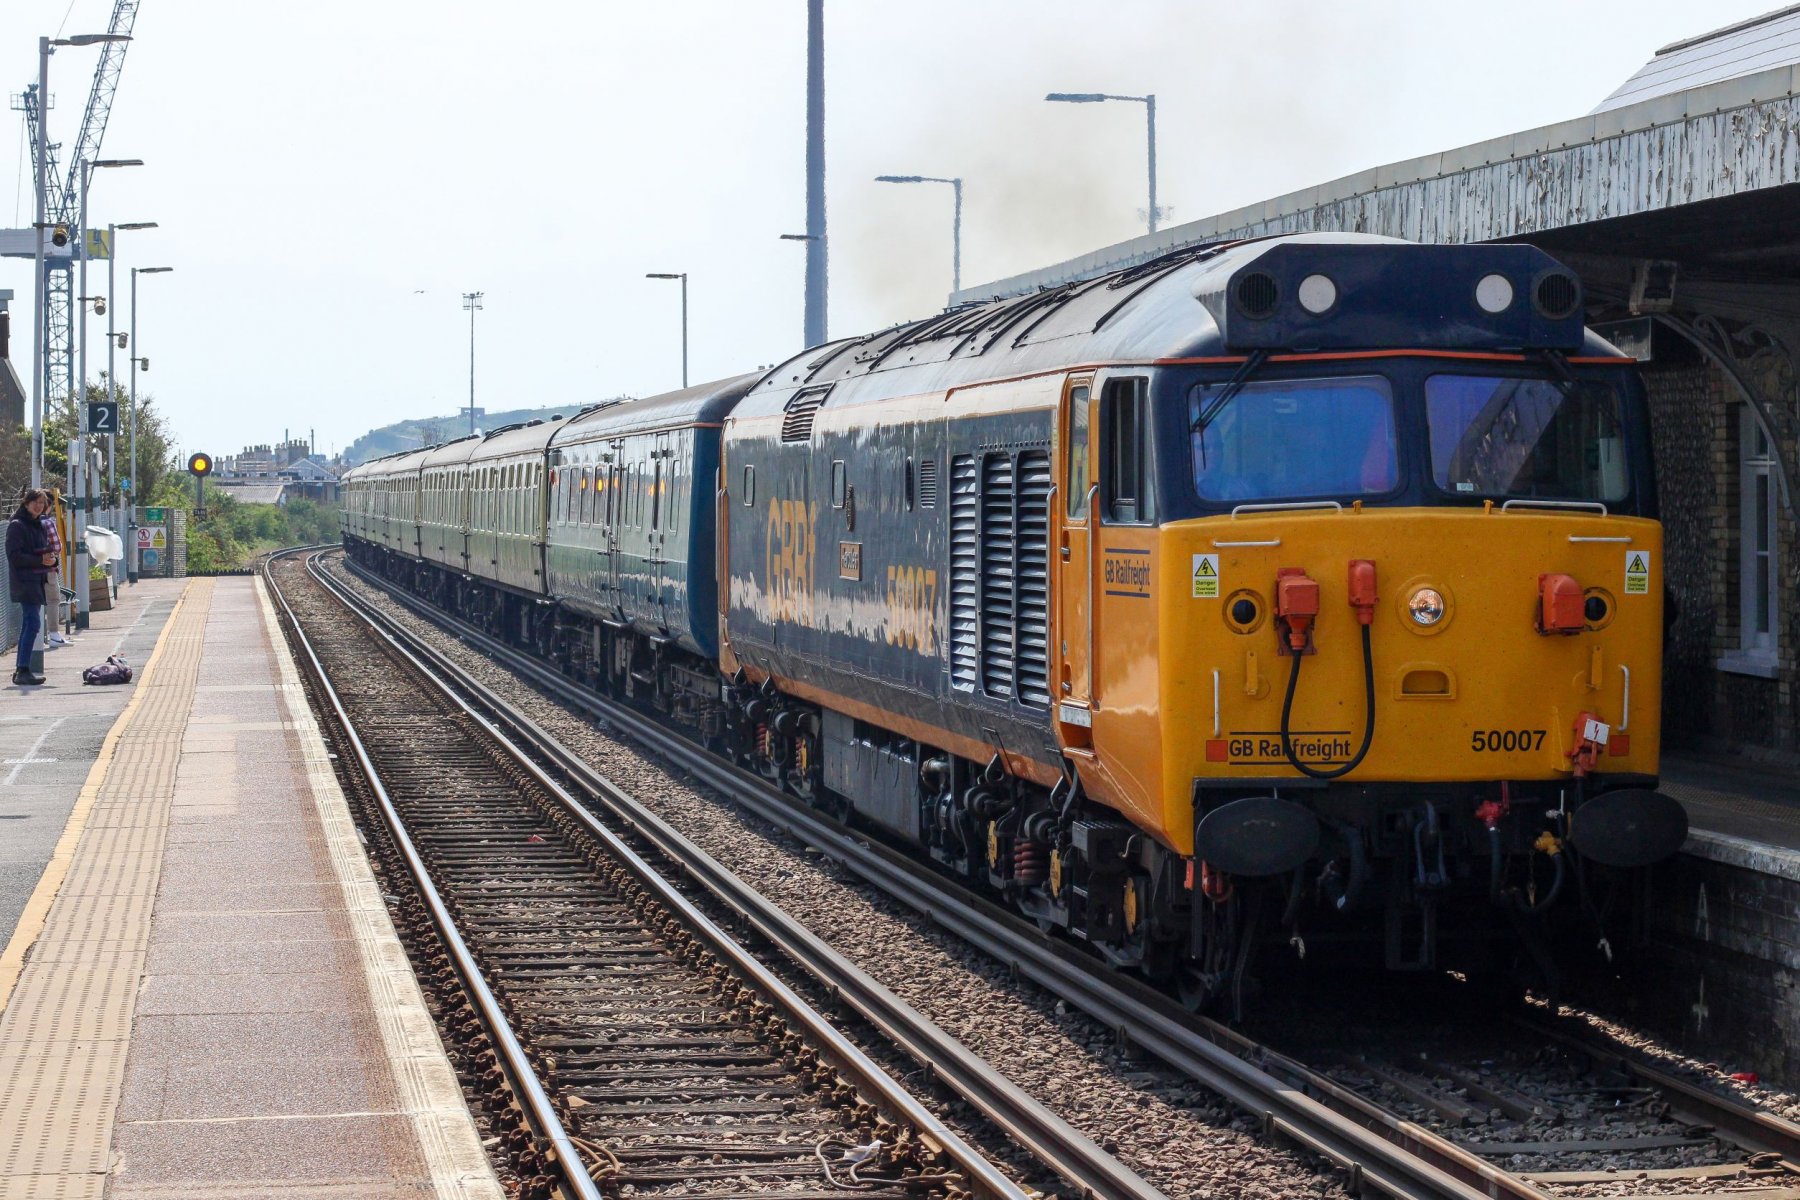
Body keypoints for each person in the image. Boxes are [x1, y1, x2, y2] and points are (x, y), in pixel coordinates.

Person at [8, 489, 56, 686]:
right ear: (26, 503)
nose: (38, 506)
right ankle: (23, 670)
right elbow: (15, 556)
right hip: (24, 582)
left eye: (42, 503)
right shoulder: (17, 526)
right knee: (34, 623)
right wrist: (40, 560)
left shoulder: (38, 525)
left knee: (30, 624)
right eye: (35, 502)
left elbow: (41, 551)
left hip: (36, 580)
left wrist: (50, 560)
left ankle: (22, 668)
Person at [40, 501, 66, 646]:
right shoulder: (48, 522)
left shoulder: (21, 522)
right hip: (48, 568)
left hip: (27, 570)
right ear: (48, 505)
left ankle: (38, 638)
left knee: (34, 604)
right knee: (53, 600)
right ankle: (54, 634)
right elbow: (57, 547)